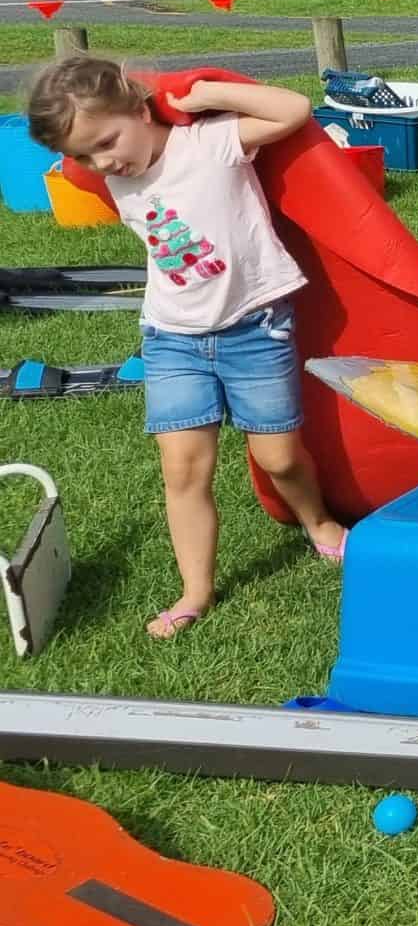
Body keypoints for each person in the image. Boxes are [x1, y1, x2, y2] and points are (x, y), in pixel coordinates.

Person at [25, 58, 346, 638]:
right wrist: (92, 154)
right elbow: (86, 164)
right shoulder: (117, 178)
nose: (103, 163)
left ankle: (318, 522)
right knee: (183, 471)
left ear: (139, 108)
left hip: (255, 329)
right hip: (172, 339)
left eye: (106, 142)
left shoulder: (212, 143)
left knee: (279, 459)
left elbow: (294, 110)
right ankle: (195, 592)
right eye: (86, 156)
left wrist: (203, 93)